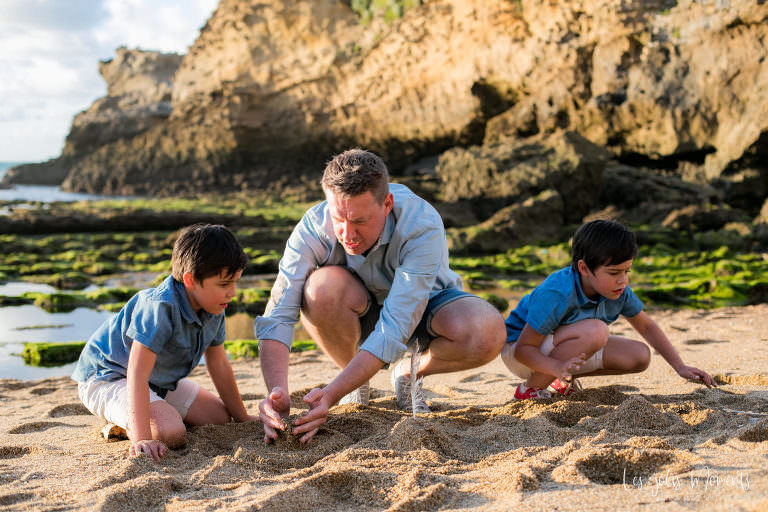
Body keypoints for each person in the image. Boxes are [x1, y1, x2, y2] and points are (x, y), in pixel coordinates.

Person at [255, 148, 506, 444]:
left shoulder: (421, 223)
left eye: (359, 221)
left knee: (486, 332)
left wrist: (330, 394)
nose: (347, 233)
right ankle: (353, 382)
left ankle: (407, 372)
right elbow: (279, 313)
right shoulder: (312, 227)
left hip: (425, 310)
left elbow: (395, 325)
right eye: (339, 219)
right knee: (319, 288)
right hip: (356, 308)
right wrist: (277, 393)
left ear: (387, 203)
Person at [72, 224, 257, 461]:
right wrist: (141, 438)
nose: (232, 293)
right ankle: (124, 425)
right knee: (171, 433)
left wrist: (241, 417)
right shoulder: (159, 308)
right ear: (190, 280)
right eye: (224, 285)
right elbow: (136, 372)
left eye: (235, 283)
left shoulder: (215, 307)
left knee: (219, 417)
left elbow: (219, 365)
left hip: (156, 381)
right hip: (108, 377)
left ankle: (145, 413)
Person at [502, 219, 716, 400]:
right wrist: (554, 366)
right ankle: (530, 389)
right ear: (584, 268)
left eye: (627, 271)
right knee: (596, 331)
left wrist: (680, 367)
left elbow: (647, 326)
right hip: (520, 351)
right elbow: (523, 349)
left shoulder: (619, 291)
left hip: (559, 349)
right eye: (614, 273)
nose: (622, 281)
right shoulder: (558, 293)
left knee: (640, 355)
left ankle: (558, 380)